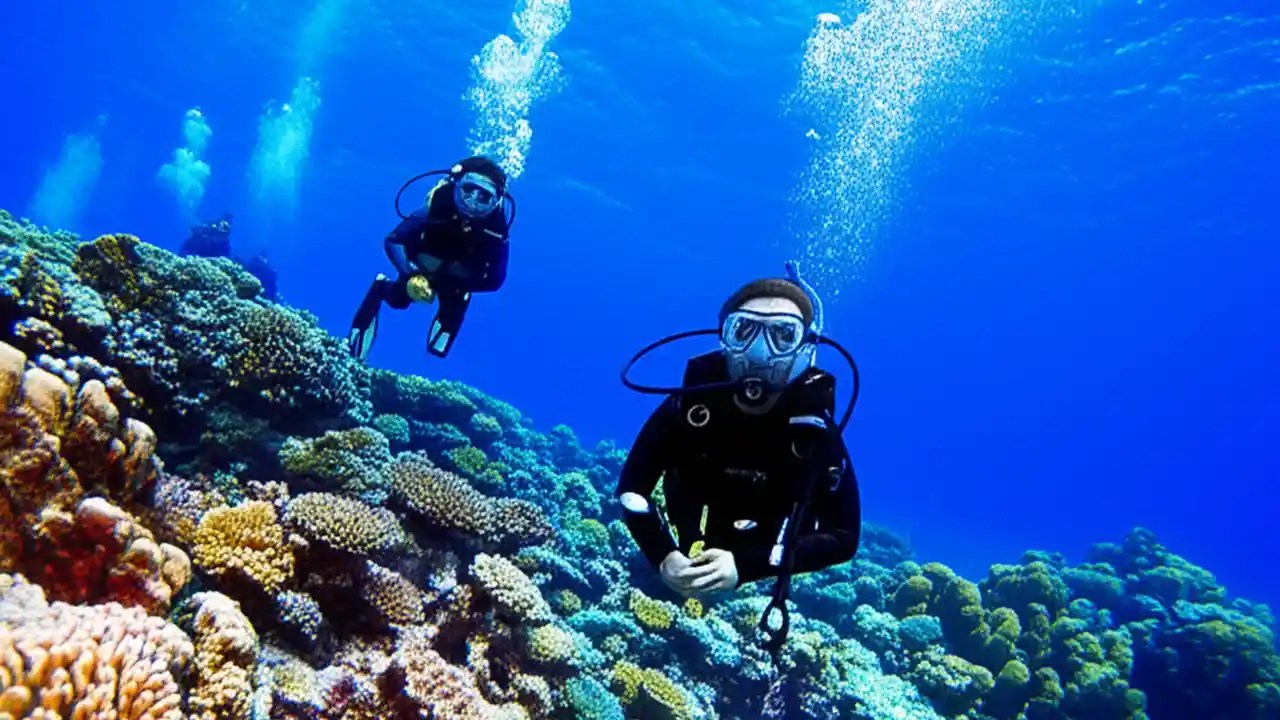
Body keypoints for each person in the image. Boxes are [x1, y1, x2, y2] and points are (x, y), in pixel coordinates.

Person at [615, 276, 861, 605]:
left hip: (763, 549)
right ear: (724, 340)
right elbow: (632, 488)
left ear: (804, 350)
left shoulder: (812, 431)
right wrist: (663, 555)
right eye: (744, 331)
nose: (759, 353)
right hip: (685, 532)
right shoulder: (689, 407)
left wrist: (748, 566)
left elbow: (844, 537)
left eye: (783, 336)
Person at [348, 156, 513, 360]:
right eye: (468, 190)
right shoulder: (438, 206)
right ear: (457, 186)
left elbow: (495, 281)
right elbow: (393, 240)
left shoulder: (496, 231)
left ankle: (457, 299)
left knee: (440, 344)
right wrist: (411, 275)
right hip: (423, 264)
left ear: (495, 201)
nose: (472, 202)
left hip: (456, 279)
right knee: (398, 299)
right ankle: (381, 287)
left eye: (483, 197)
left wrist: (456, 285)